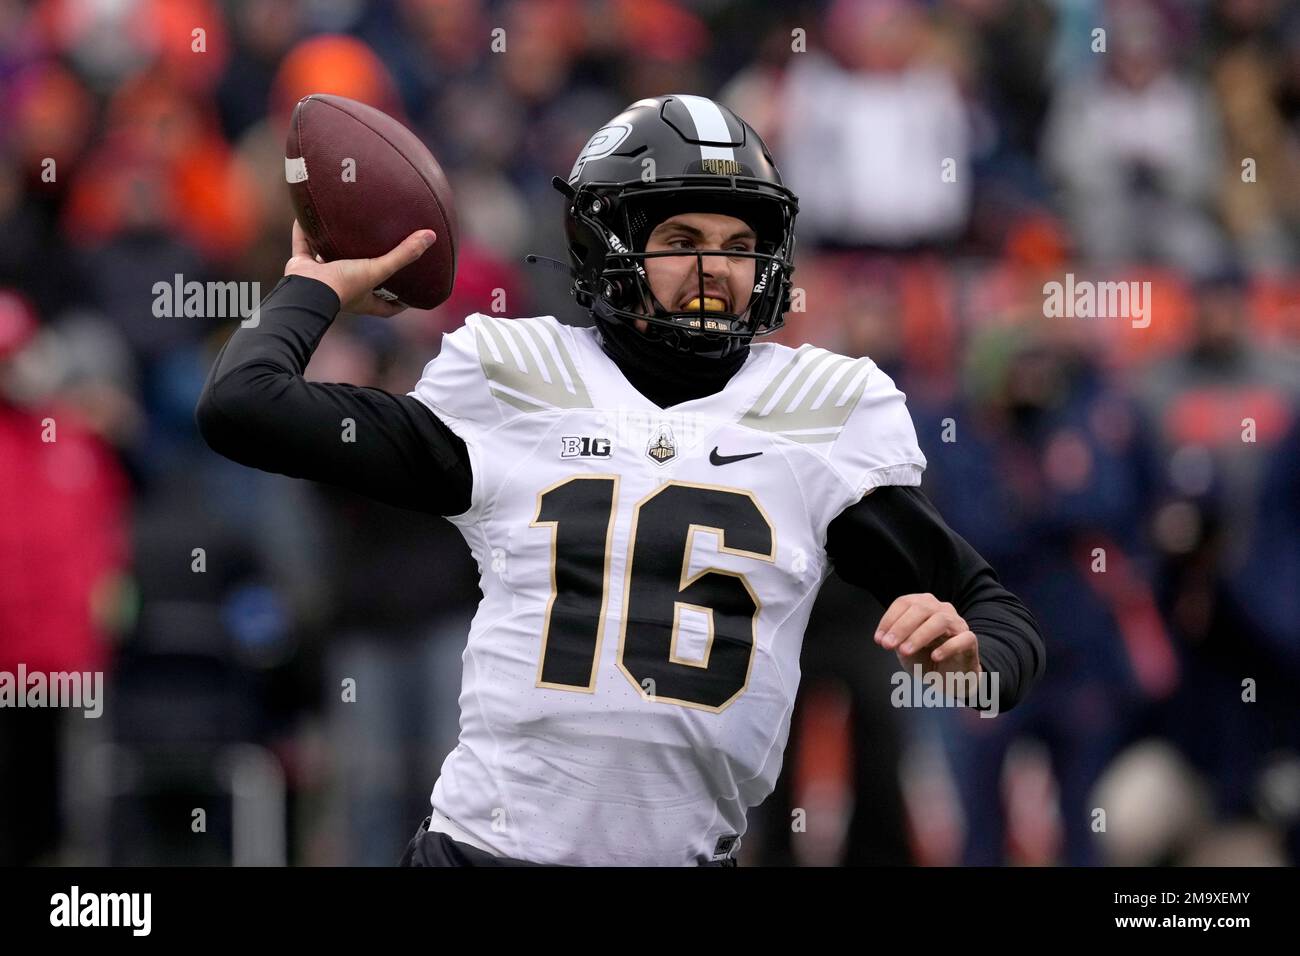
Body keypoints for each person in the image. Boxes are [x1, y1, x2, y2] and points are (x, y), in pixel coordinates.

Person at [196, 94, 1045, 866]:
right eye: (680, 242)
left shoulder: (823, 409)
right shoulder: (515, 380)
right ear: (607, 243)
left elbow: (999, 620)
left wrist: (971, 658)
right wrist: (312, 290)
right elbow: (245, 406)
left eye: (739, 246)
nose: (715, 271)